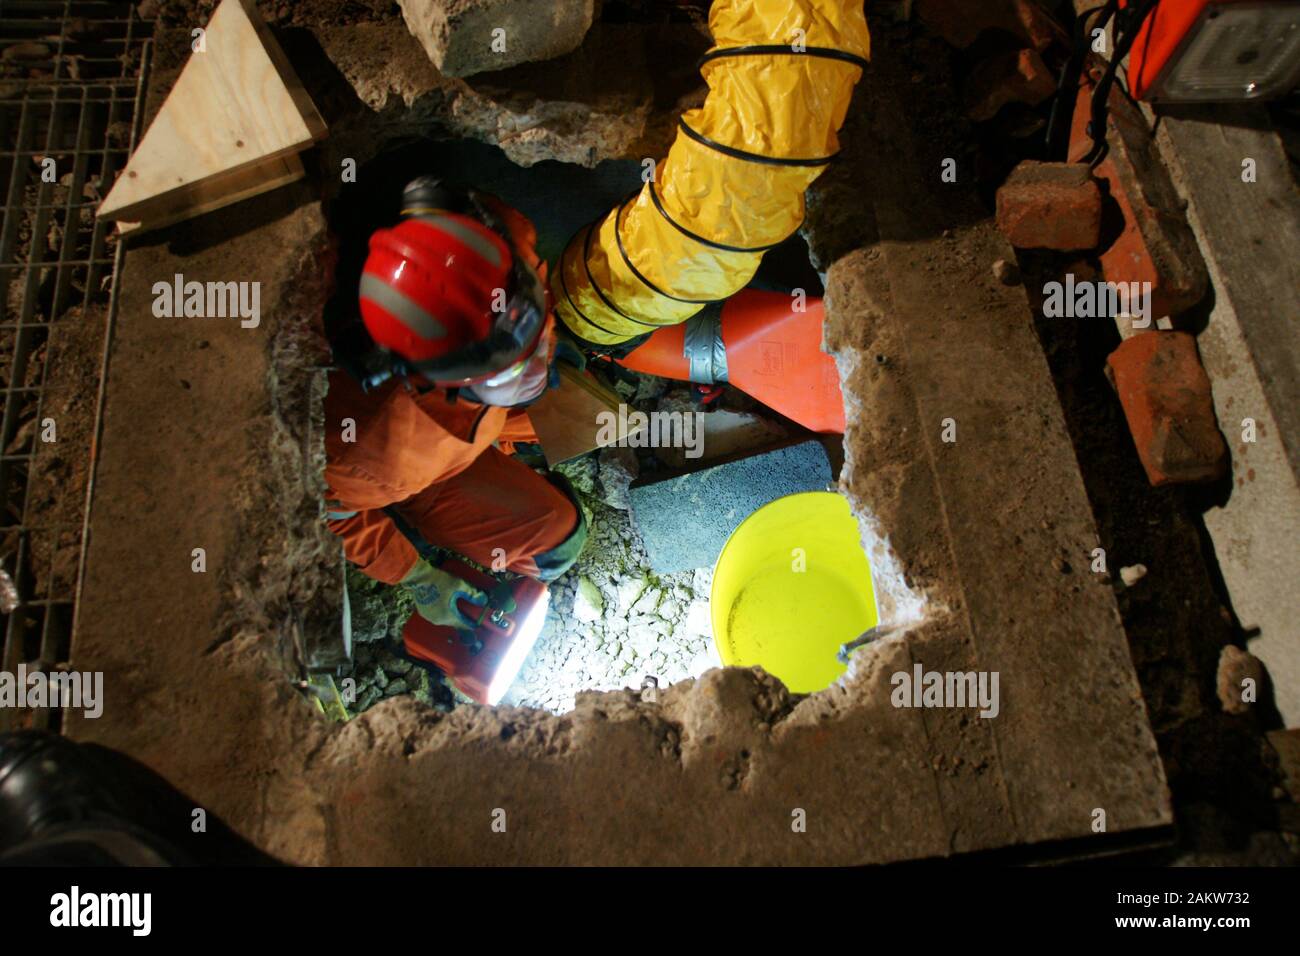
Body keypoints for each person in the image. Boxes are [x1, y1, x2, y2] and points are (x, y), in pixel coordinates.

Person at [323, 177, 587, 631]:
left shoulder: (497, 238)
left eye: (533, 332)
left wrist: (535, 354)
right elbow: (335, 511)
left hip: (474, 427)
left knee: (580, 398)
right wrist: (416, 575)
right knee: (554, 547)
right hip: (420, 467)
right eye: (510, 372)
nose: (536, 369)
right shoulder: (366, 444)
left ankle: (500, 434)